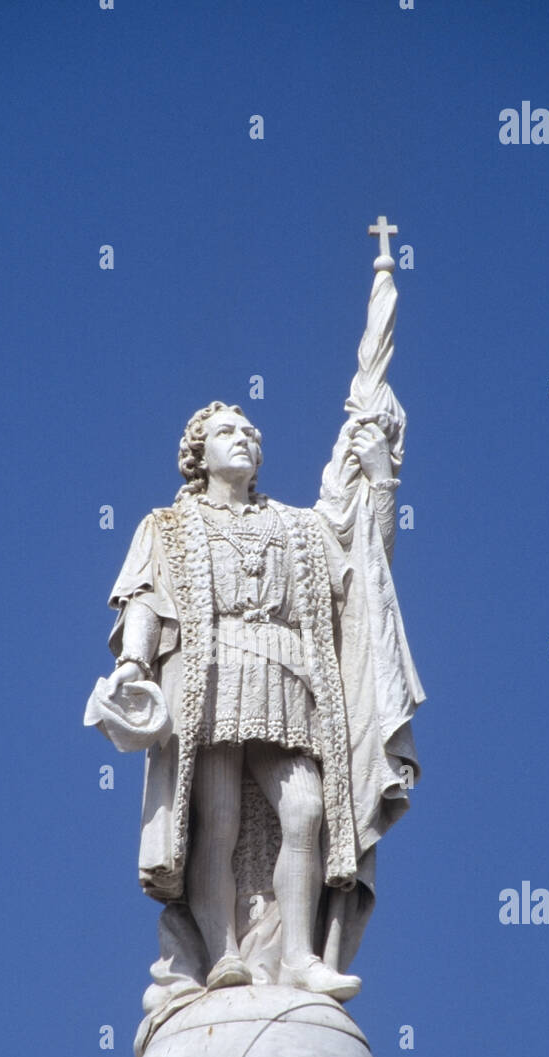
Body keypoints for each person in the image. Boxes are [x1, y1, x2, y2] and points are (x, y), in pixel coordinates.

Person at [88, 398, 425, 1006]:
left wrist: (380, 476)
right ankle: (222, 954)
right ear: (199, 454)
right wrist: (134, 663)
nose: (242, 438)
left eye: (249, 431)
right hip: (208, 677)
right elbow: (144, 598)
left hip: (291, 678)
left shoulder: (299, 526)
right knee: (217, 819)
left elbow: (367, 566)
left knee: (305, 809)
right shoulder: (165, 526)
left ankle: (298, 956)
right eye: (226, 432)